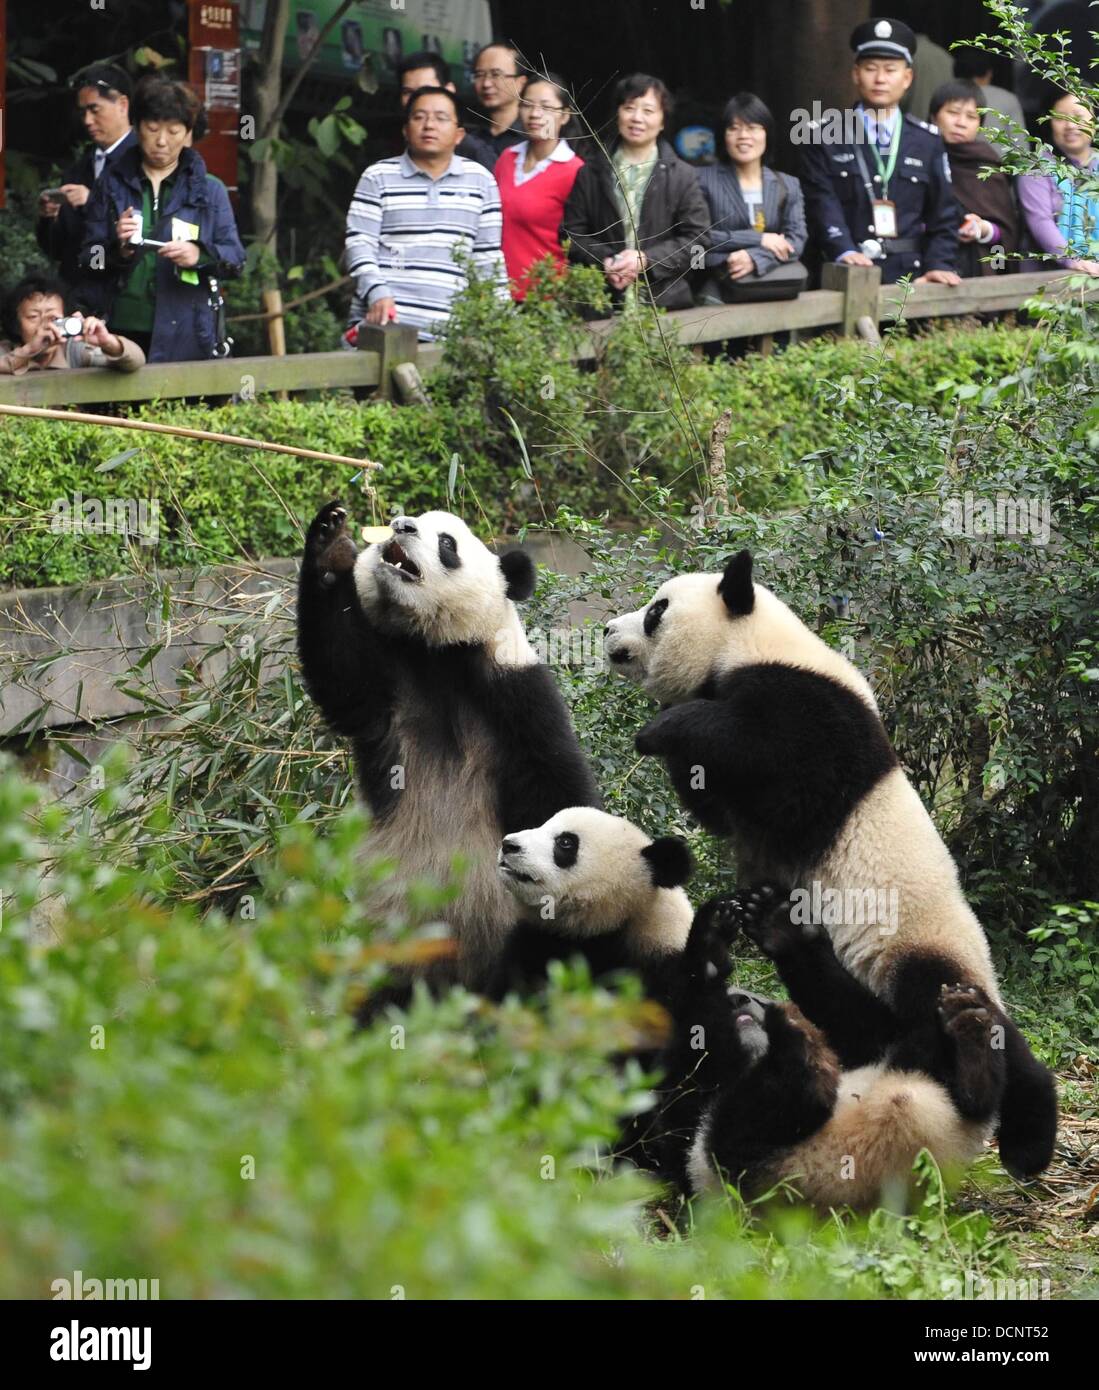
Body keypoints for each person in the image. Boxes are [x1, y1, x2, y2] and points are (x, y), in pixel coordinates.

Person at [80, 77, 245, 362]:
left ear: (188, 133)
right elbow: (87, 259)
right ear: (136, 126)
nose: (161, 141)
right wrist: (118, 248)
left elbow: (236, 261)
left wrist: (199, 254)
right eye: (152, 128)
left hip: (188, 332)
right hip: (118, 331)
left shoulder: (210, 190)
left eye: (174, 131)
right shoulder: (110, 184)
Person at [800, 18, 962, 286]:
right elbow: (820, 203)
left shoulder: (927, 141)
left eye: (890, 70)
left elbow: (943, 215)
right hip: (842, 273)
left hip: (912, 278)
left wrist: (938, 264)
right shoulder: (824, 136)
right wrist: (844, 249)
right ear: (855, 74)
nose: (880, 79)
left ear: (907, 77)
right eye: (871, 68)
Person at [344, 85, 508, 340]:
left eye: (441, 118)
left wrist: (501, 320)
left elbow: (487, 257)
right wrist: (377, 292)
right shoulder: (378, 176)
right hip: (386, 323)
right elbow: (359, 243)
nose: (429, 125)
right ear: (405, 130)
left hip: (452, 331)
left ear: (459, 134)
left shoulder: (481, 180)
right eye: (419, 117)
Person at [562, 73, 710, 310]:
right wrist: (607, 261)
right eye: (629, 108)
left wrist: (646, 260)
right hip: (602, 303)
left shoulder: (682, 176)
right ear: (618, 113)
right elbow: (571, 236)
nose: (637, 118)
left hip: (665, 307)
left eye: (648, 111)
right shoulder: (590, 172)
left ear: (662, 121)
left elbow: (699, 243)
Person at [35, 65, 136, 293]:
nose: (87, 120)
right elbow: (58, 250)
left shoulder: (146, 160)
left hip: (123, 295)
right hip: (76, 292)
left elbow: (148, 228)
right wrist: (48, 219)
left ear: (122, 105)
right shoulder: (79, 168)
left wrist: (93, 201)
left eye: (95, 109)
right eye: (83, 112)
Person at [697, 92, 808, 292]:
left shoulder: (788, 184)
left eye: (753, 128)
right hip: (717, 284)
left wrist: (755, 258)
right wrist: (760, 239)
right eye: (734, 128)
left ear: (767, 134)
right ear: (723, 135)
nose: (744, 136)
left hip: (771, 284)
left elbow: (796, 240)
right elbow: (698, 237)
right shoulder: (701, 179)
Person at [494, 72, 583, 300]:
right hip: (499, 293)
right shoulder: (507, 158)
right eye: (527, 105)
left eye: (546, 107)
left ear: (564, 116)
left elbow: (581, 241)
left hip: (548, 296)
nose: (534, 114)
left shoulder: (575, 171)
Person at [930, 80, 1020, 276]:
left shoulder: (988, 166)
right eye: (953, 113)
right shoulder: (919, 157)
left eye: (971, 116)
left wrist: (983, 229)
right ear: (934, 117)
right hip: (926, 265)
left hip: (977, 268)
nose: (961, 123)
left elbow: (1005, 234)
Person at [1017, 91, 1099, 275]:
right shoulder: (1036, 168)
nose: (1070, 125)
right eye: (1060, 118)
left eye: (1078, 116)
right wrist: (1073, 259)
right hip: (1049, 281)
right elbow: (1040, 220)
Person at [0, 271, 144, 374]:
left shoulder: (76, 352)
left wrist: (107, 341)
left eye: (54, 319)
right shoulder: (7, 350)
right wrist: (28, 351)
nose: (46, 327)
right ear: (16, 324)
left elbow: (136, 361)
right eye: (33, 317)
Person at [456, 41, 526, 170]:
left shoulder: (532, 137)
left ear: (520, 83)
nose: (486, 83)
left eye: (496, 75)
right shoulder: (467, 138)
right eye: (479, 75)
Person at [952, 46, 1028, 151]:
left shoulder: (948, 96)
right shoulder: (1007, 98)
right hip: (998, 165)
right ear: (989, 73)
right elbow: (1021, 147)